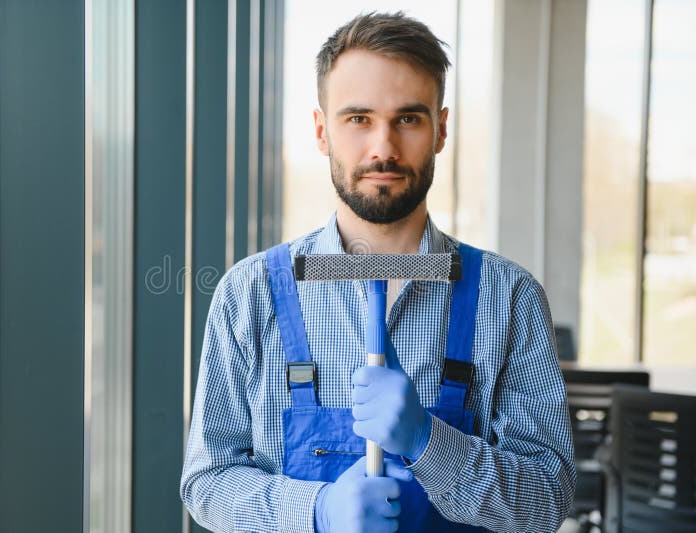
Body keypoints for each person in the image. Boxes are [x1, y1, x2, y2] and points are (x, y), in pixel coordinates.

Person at [180, 11, 575, 533]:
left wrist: (428, 442)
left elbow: (547, 499)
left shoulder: (510, 296)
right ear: (322, 132)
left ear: (441, 129)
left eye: (408, 118)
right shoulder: (249, 293)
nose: (383, 148)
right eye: (358, 118)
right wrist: (317, 510)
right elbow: (207, 482)